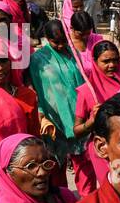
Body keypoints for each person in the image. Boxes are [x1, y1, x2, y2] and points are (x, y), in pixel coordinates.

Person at [72, 40, 120, 193]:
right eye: (106, 61)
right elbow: (77, 131)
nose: (112, 65)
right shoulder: (87, 91)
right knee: (113, 190)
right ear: (95, 62)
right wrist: (92, 122)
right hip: (104, 150)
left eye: (115, 60)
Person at [29, 19, 86, 167]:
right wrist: (40, 112)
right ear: (47, 39)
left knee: (82, 159)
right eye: (56, 42)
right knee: (54, 160)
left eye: (64, 41)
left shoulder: (74, 54)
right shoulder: (38, 59)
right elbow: (34, 87)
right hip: (53, 113)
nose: (61, 46)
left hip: (78, 110)